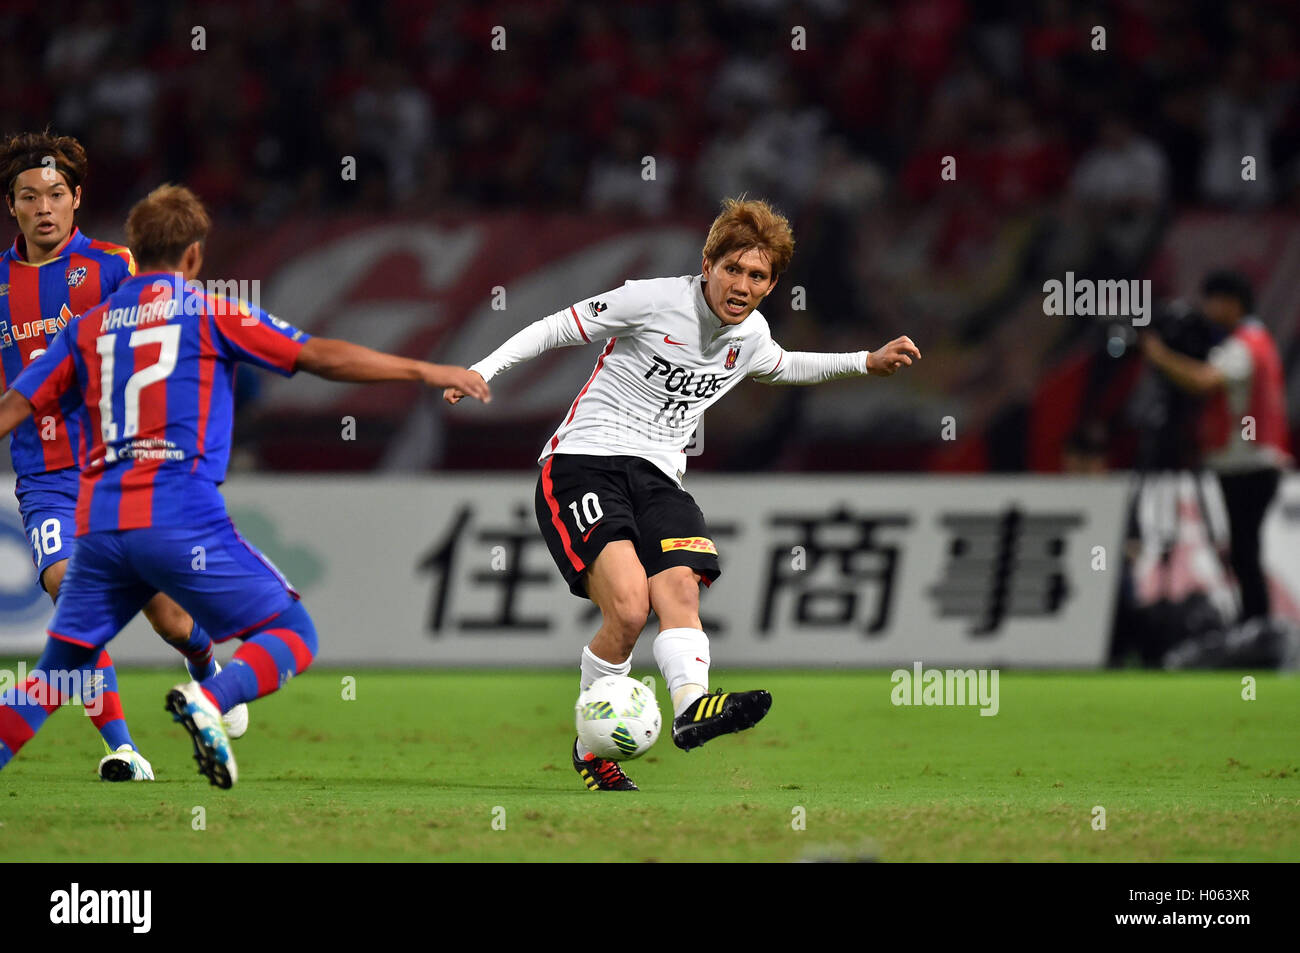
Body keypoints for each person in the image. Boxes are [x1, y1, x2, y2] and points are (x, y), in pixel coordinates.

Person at [0, 184, 490, 787]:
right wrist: (421, 368)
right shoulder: (210, 311)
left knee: (55, 673)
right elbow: (318, 356)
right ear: (193, 258)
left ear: (134, 249)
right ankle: (213, 695)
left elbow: (14, 405)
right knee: (293, 634)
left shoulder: (88, 327)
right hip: (179, 511)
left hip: (100, 523)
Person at [445, 197, 920, 790]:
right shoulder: (651, 299)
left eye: (758, 276)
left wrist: (864, 362)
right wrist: (483, 370)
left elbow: (781, 366)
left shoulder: (751, 336)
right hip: (583, 463)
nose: (742, 285)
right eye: (733, 269)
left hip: (659, 477)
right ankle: (592, 749)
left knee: (678, 588)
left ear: (771, 285)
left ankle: (692, 707)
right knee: (627, 609)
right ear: (707, 264)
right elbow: (552, 328)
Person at [0, 131, 243, 782]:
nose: (44, 207)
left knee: (167, 616)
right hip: (47, 477)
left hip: (118, 467)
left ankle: (203, 663)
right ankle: (124, 748)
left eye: (56, 194)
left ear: (77, 200)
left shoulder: (113, 267)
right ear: (13, 206)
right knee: (69, 589)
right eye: (29, 197)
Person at [1141, 269, 1291, 624]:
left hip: (1247, 464)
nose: (1206, 308)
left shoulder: (1241, 345)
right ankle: (1254, 625)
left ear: (1231, 302)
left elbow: (1201, 381)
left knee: (1244, 551)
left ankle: (1257, 627)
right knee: (1244, 550)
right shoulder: (1259, 339)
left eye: (1212, 299)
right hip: (1254, 461)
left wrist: (1159, 355)